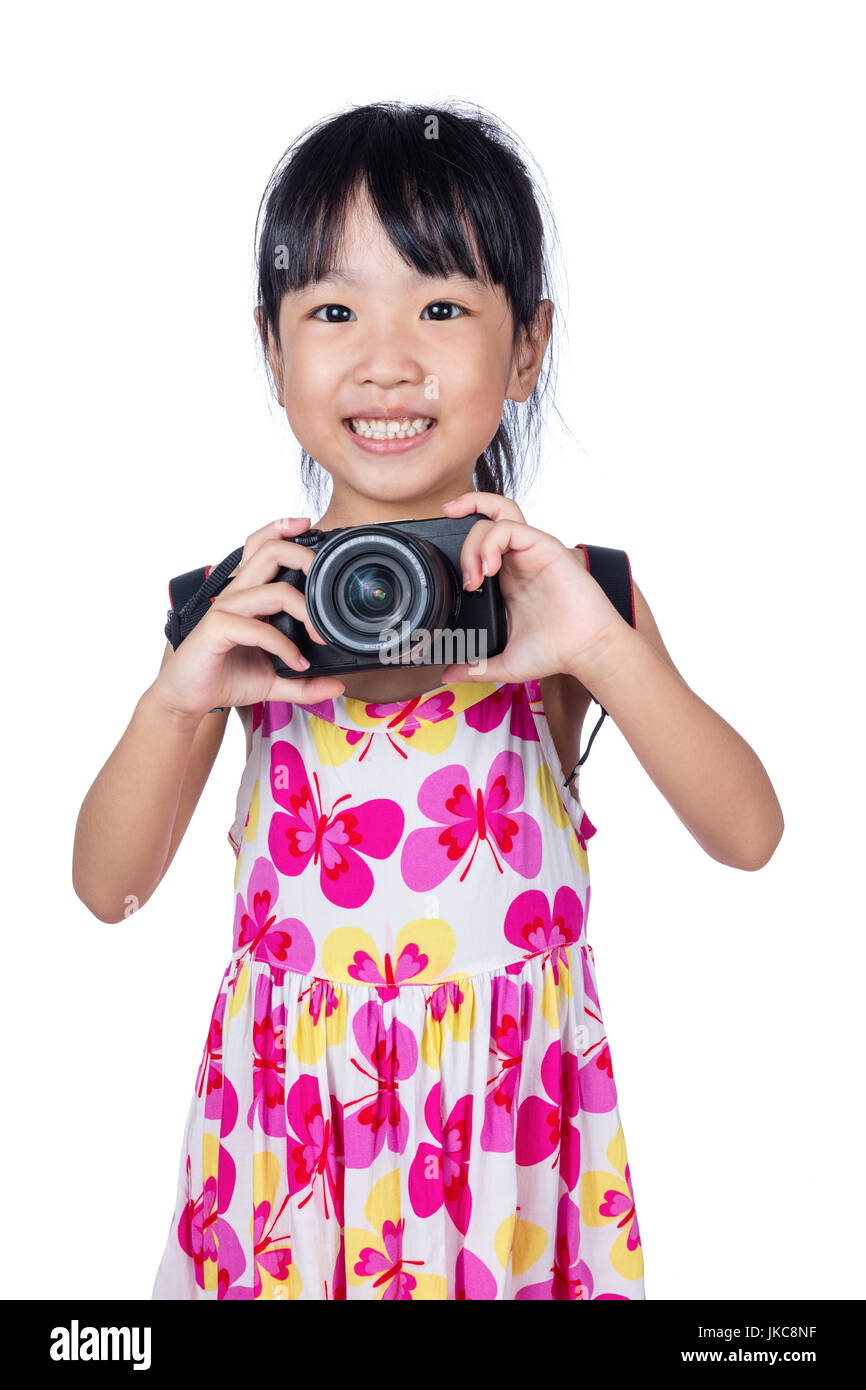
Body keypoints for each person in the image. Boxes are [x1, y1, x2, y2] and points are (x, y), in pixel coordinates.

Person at [73, 100, 784, 1301]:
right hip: (297, 1165)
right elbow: (108, 887)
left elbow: (748, 834)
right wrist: (175, 697)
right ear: (273, 348)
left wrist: (602, 651)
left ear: (525, 348)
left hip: (500, 1166)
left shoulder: (563, 604)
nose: (386, 358)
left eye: (441, 306)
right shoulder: (242, 609)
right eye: (333, 310)